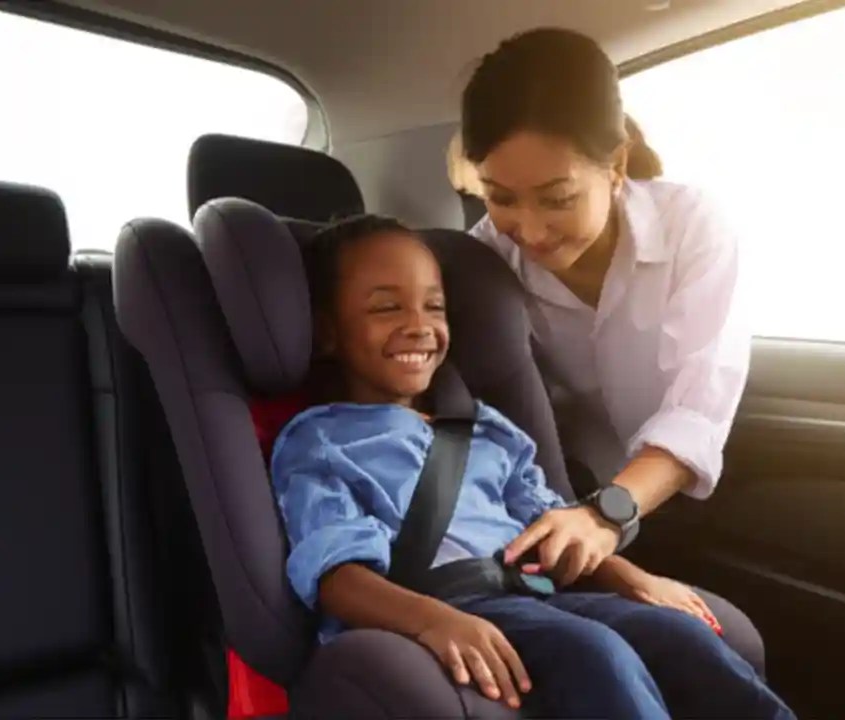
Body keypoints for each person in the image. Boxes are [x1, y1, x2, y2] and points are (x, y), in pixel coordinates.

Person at [271, 214, 794, 719]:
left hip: (536, 589)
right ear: (327, 333)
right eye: (386, 308)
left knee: (681, 637)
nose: (419, 326)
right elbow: (336, 575)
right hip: (445, 598)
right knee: (595, 651)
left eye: (435, 306)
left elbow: (550, 523)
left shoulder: (485, 430)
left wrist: (631, 577)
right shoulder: (320, 441)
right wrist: (434, 621)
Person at [463, 27, 750, 579]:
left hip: (671, 495)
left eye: (557, 199)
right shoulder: (483, 260)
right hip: (557, 501)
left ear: (616, 165)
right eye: (500, 198)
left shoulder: (691, 225)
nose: (530, 229)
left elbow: (698, 404)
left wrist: (607, 513)